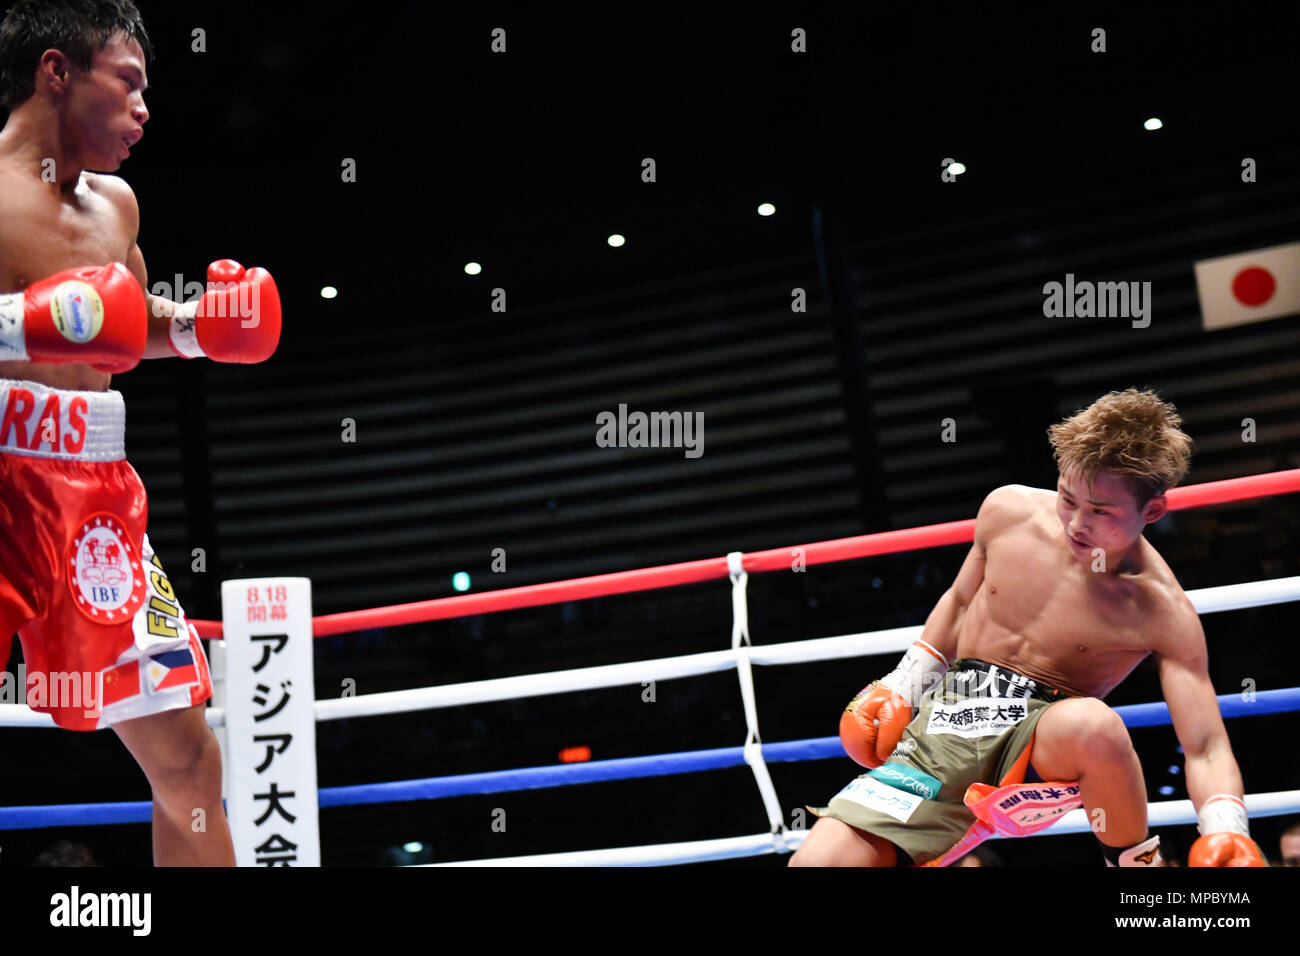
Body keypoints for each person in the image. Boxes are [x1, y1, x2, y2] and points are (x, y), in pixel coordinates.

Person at [0, 0, 281, 865]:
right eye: (128, 84)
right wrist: (21, 327)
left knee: (190, 762)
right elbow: (70, 320)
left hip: (94, 501)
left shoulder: (115, 205)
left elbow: (120, 322)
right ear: (57, 71)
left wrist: (198, 327)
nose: (144, 109)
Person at [790, 388, 1267, 867]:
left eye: (1101, 511)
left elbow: (1205, 745)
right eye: (1068, 498)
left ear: (1153, 512)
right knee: (815, 864)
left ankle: (1135, 867)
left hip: (1040, 745)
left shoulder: (1157, 607)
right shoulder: (1007, 510)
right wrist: (904, 682)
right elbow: (958, 603)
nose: (1077, 524)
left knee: (1095, 726)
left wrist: (1228, 827)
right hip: (948, 720)